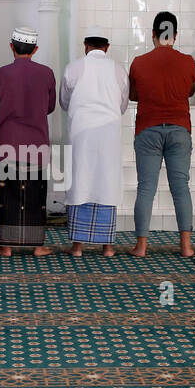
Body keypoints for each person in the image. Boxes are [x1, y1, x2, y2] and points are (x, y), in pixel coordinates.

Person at [128, 11, 195, 258]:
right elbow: (190, 91)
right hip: (179, 128)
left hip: (147, 128)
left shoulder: (138, 62)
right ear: (175, 35)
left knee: (146, 188)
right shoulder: (188, 62)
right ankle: (186, 246)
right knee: (181, 187)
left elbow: (133, 95)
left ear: (154, 34)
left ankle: (142, 246)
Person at [0, 26, 57, 256]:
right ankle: (37, 246)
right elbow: (50, 107)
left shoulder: (1, 74)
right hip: (36, 144)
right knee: (36, 195)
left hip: (9, 144)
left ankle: (5, 246)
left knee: (8, 195)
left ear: (11, 47)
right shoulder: (47, 73)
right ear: (35, 49)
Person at [61, 25, 129, 257]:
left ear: (85, 46)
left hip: (81, 133)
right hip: (109, 134)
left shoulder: (74, 68)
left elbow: (64, 101)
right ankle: (107, 246)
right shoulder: (118, 70)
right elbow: (122, 105)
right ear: (107, 47)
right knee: (106, 184)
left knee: (80, 183)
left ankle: (77, 247)